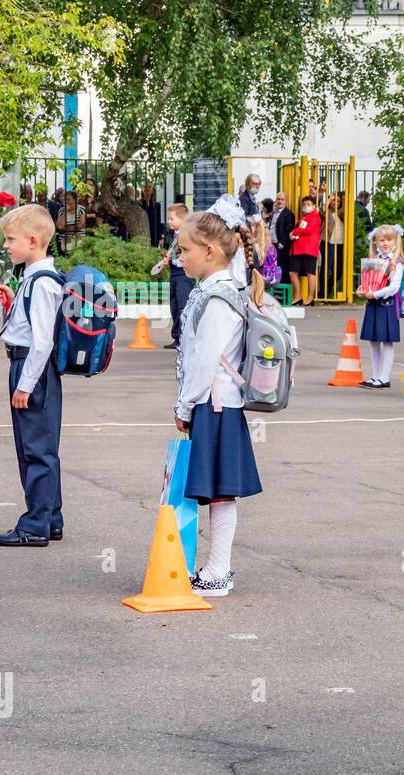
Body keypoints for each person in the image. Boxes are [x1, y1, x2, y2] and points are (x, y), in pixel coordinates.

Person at [172, 210, 264, 595]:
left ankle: (218, 571)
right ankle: (213, 568)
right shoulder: (217, 291)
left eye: (184, 250)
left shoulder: (218, 298)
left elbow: (205, 359)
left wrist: (183, 404)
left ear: (209, 251)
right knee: (216, 489)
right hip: (217, 404)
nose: (179, 258)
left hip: (214, 404)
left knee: (221, 491)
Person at [0, 204, 64, 547]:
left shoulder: (43, 282)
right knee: (38, 445)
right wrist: (10, 301)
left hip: (32, 369)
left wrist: (25, 384)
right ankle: (50, 517)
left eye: (10, 239)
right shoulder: (32, 278)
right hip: (25, 365)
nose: (6, 245)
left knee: (36, 448)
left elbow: (42, 342)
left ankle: (35, 524)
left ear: (33, 240)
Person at [357, 224, 404, 390]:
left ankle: (384, 378)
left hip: (387, 303)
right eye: (382, 240)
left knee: (387, 341)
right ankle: (376, 376)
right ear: (375, 242)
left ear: (395, 241)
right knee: (373, 341)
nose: (385, 243)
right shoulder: (375, 259)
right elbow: (367, 281)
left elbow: (395, 287)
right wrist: (361, 290)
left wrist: (375, 294)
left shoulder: (396, 262)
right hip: (374, 303)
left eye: (389, 239)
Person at [161, 203, 193, 349]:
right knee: (174, 305)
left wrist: (173, 260)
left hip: (184, 274)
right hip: (174, 272)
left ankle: (183, 336)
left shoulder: (188, 234)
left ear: (182, 218)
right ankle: (177, 336)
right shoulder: (175, 235)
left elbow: (187, 254)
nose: (169, 221)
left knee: (182, 305)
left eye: (171, 218)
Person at [288, 195, 322, 306]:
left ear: (314, 206)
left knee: (310, 273)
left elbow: (308, 230)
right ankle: (298, 296)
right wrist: (294, 234)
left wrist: (294, 232)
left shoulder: (315, 216)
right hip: (298, 248)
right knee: (293, 272)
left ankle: (310, 297)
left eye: (308, 204)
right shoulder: (304, 218)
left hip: (308, 249)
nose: (306, 206)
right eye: (304, 204)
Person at [57, 190, 85, 254]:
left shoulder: (81, 210)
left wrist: (66, 228)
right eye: (64, 200)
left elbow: (80, 226)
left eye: (68, 199)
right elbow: (59, 226)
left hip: (79, 243)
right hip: (65, 245)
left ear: (75, 200)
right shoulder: (62, 210)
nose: (65, 202)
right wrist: (66, 212)